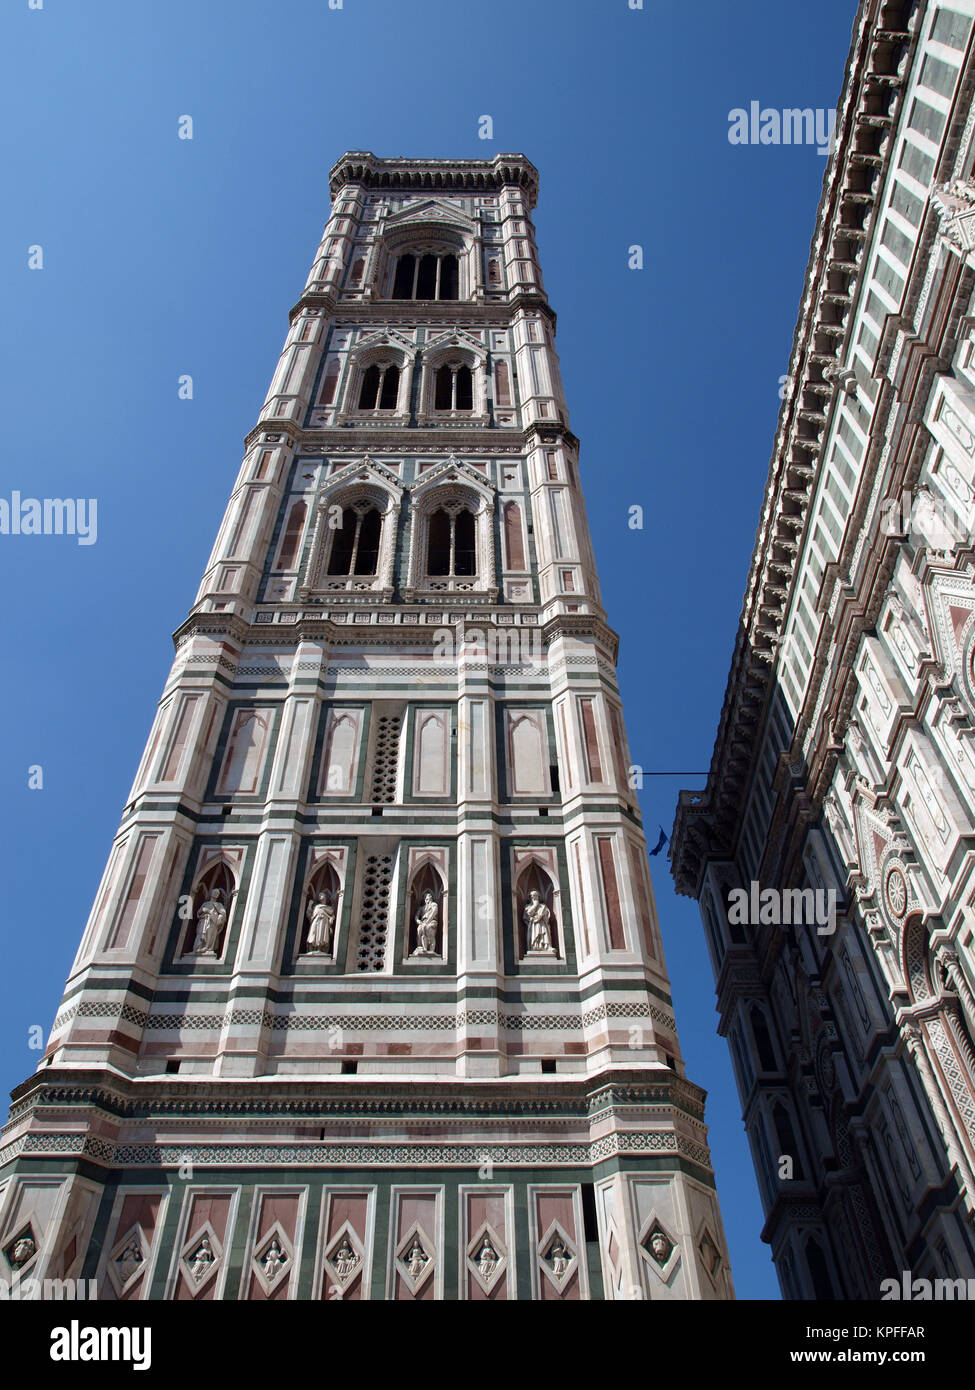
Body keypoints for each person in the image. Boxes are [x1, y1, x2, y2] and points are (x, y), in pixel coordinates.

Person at [193, 888, 227, 955]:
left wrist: (218, 917)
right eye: (214, 892)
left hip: (212, 922)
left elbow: (223, 913)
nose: (215, 894)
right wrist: (203, 911)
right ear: (211, 893)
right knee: (200, 934)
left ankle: (207, 948)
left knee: (209, 935)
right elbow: (198, 913)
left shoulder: (219, 905)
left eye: (217, 893)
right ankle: (198, 948)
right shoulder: (206, 903)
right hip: (204, 921)